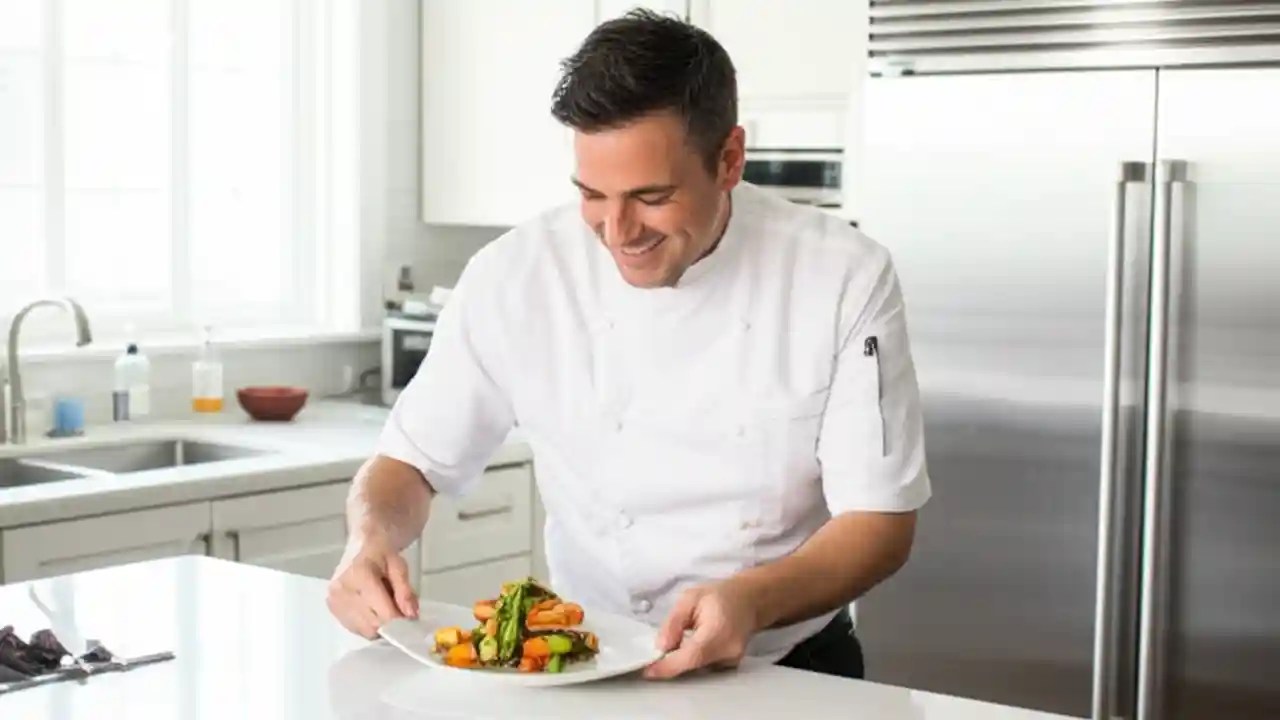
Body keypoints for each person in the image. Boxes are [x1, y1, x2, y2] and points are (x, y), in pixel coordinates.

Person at [327, 9, 929, 681]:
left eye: (651, 196)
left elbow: (880, 523)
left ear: (730, 159)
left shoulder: (841, 276)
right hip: (591, 666)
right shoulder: (518, 274)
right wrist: (368, 540)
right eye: (592, 194)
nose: (617, 231)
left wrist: (753, 601)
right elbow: (407, 464)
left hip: (789, 667)